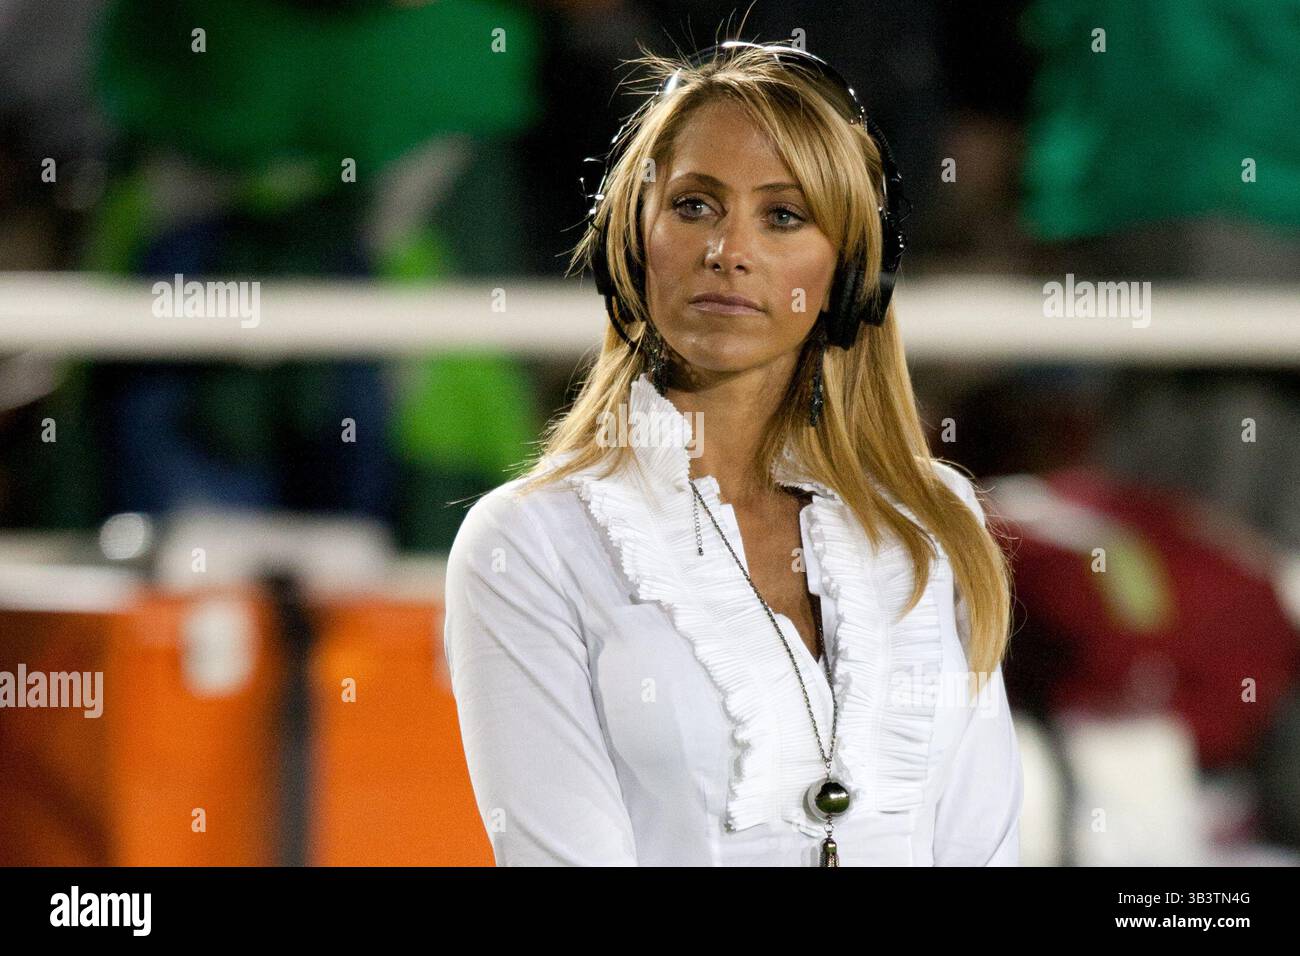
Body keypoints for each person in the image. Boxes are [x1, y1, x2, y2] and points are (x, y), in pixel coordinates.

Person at [442, 40, 1023, 866]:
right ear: (628, 241)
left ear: (853, 272)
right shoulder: (528, 544)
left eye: (782, 216)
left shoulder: (937, 522)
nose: (728, 250)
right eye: (693, 206)